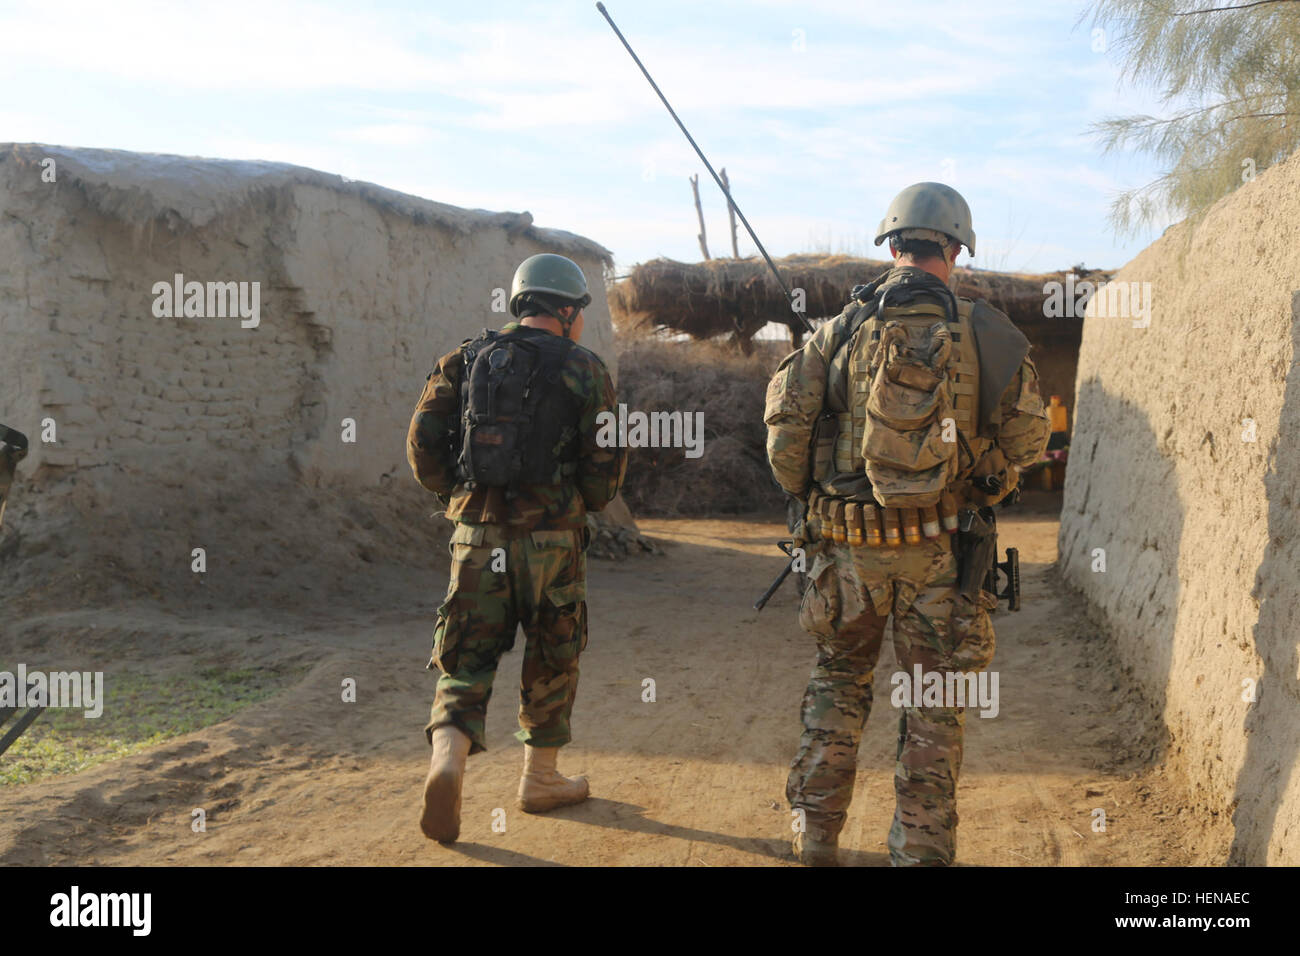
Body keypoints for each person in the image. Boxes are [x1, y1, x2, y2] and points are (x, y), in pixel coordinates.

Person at [764, 182, 1051, 866]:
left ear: (892, 245)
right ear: (956, 250)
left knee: (837, 681)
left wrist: (816, 501)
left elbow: (783, 442)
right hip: (941, 554)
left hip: (847, 552)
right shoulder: (988, 333)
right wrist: (986, 478)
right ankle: (919, 850)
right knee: (934, 702)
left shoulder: (837, 333)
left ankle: (814, 833)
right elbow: (1029, 440)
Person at [406, 253, 627, 844]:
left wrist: (460, 498)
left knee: (467, 651)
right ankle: (541, 778)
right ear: (567, 310)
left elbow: (423, 446)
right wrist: (575, 504)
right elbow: (604, 474)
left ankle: (448, 759)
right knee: (554, 650)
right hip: (553, 539)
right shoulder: (586, 369)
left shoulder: (465, 358)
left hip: (477, 536)